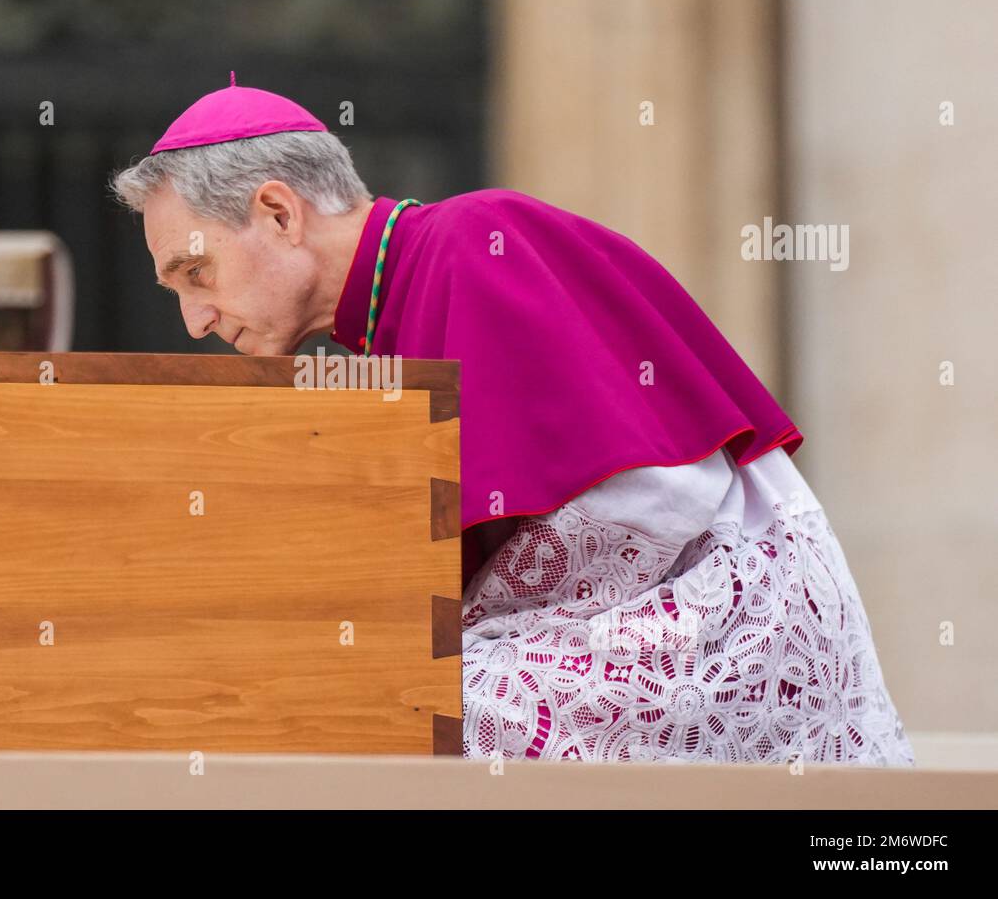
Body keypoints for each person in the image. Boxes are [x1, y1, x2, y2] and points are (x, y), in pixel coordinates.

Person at [112, 75, 915, 766]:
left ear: (279, 213)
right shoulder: (381, 322)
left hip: (728, 618)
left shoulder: (476, 245)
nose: (194, 318)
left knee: (372, 710)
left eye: (196, 271)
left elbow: (653, 498)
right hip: (649, 623)